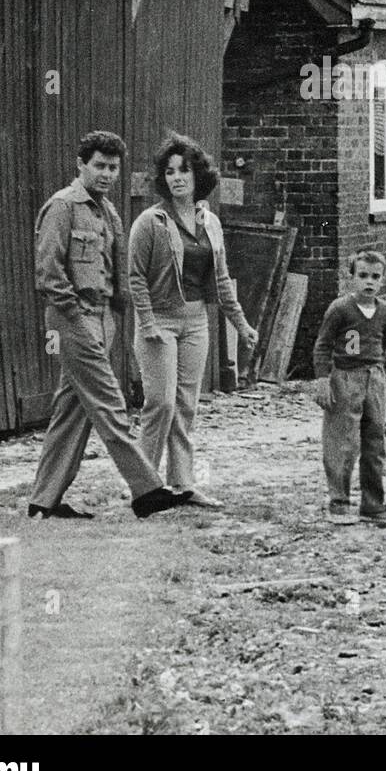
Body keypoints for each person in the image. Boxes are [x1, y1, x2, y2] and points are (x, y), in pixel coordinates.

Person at [28, 130, 194, 520]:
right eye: (99, 166)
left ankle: (43, 501)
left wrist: (113, 314)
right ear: (81, 165)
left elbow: (116, 272)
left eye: (113, 167)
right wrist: (75, 315)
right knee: (109, 402)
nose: (106, 174)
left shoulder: (108, 212)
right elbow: (48, 274)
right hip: (74, 317)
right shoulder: (62, 207)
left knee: (71, 409)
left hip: (103, 316)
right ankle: (147, 489)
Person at [129, 134, 258, 506]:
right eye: (169, 172)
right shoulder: (150, 222)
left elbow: (220, 279)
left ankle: (183, 484)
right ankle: (144, 486)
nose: (177, 178)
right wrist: (148, 322)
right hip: (159, 324)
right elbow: (135, 277)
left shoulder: (211, 223)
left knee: (186, 405)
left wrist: (242, 325)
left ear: (198, 176)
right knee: (161, 404)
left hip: (196, 323)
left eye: (184, 170)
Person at [313, 249, 386, 526]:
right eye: (362, 276)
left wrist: (377, 376)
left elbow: (382, 344)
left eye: (375, 277)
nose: (369, 282)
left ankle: (373, 504)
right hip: (345, 377)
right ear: (351, 278)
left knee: (374, 441)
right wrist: (323, 380)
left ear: (383, 280)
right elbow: (323, 346)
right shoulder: (339, 309)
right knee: (343, 442)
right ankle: (339, 502)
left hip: (373, 377)